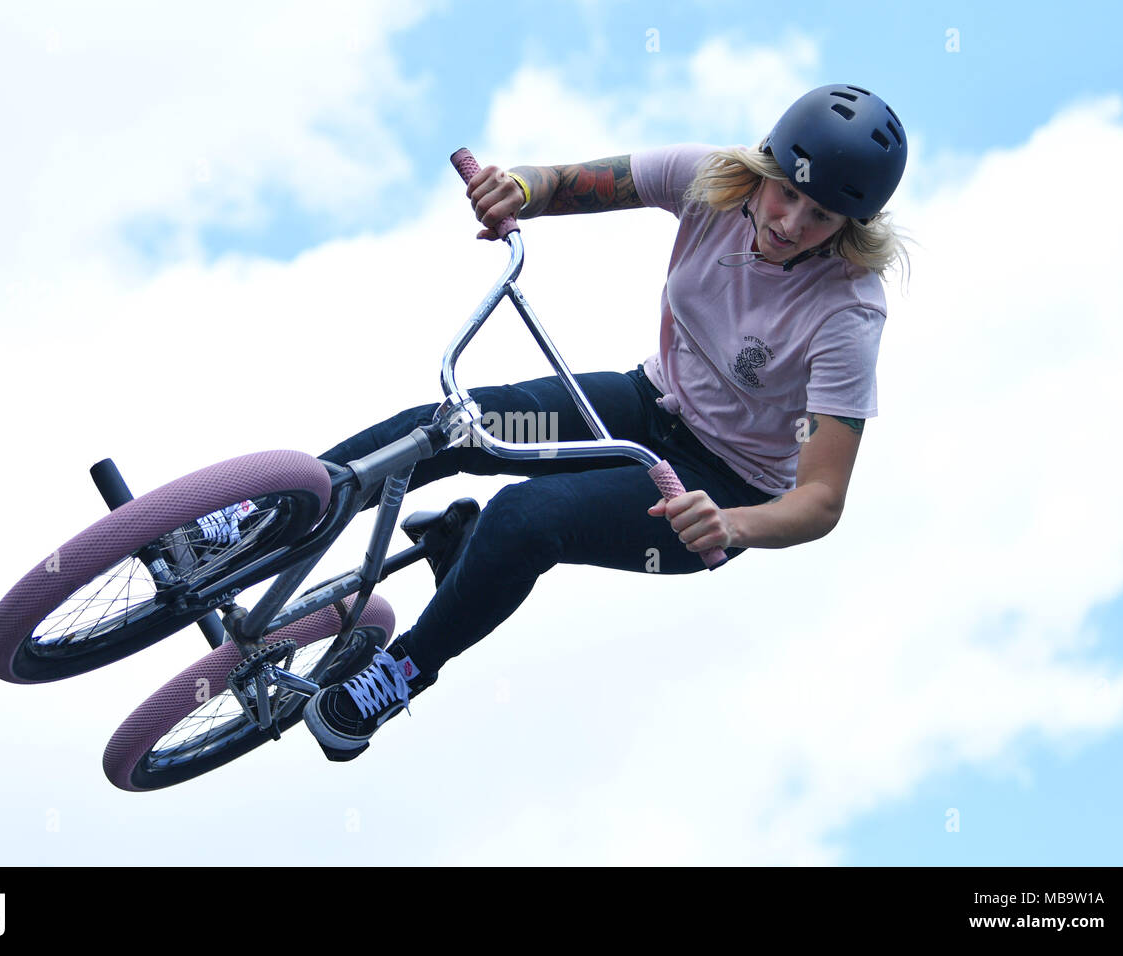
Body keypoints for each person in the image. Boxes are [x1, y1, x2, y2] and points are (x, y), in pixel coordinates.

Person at [303, 83, 910, 760]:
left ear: (852, 226)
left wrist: (732, 524)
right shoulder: (710, 179)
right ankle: (274, 511)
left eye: (822, 216)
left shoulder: (848, 313)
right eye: (787, 194)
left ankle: (401, 671)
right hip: (641, 406)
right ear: (766, 165)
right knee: (455, 424)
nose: (793, 223)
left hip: (716, 487)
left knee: (525, 518)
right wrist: (519, 191)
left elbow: (822, 501)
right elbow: (562, 182)